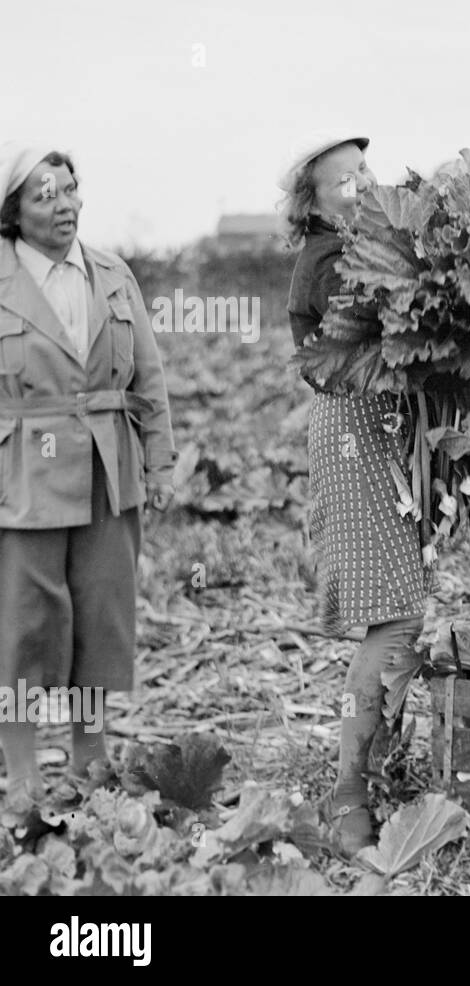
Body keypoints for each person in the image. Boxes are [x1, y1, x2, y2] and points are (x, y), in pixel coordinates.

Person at [0, 144, 176, 808]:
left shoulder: (110, 274)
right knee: (22, 627)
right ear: (15, 212)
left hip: (108, 468)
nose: (64, 204)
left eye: (70, 189)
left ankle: (90, 764)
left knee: (100, 618)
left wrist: (158, 461)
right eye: (44, 195)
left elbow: (149, 377)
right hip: (20, 476)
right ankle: (21, 777)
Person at [279, 133, 428, 853]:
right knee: (392, 616)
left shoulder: (359, 243)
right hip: (355, 432)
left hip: (375, 428)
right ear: (311, 200)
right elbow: (379, 340)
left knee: (400, 612)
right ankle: (348, 796)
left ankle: (378, 772)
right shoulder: (333, 260)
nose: (362, 183)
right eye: (342, 181)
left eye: (365, 169)